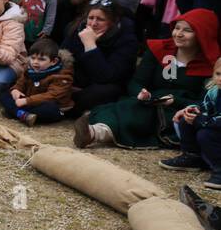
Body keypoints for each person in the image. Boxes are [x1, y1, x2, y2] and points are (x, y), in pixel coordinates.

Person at [77, 8, 220, 148]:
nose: (178, 34)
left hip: (181, 109)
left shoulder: (213, 64)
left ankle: (95, 133)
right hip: (152, 100)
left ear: (203, 34)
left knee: (141, 117)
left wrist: (176, 101)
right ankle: (93, 132)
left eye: (187, 30)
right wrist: (142, 93)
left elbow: (207, 102)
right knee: (127, 107)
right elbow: (137, 81)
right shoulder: (160, 50)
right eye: (177, 28)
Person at [61, 0, 139, 114]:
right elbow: (62, 58)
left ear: (112, 22)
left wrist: (90, 45)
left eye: (100, 19)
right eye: (91, 18)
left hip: (105, 85)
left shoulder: (127, 41)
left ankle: (67, 105)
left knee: (103, 92)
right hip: (77, 82)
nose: (93, 23)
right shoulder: (77, 31)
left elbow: (106, 76)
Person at [162, 56, 221, 184]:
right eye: (218, 74)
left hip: (216, 127)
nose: (220, 78)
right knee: (186, 120)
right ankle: (192, 157)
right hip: (213, 123)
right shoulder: (214, 91)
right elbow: (205, 106)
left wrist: (203, 120)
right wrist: (191, 110)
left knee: (205, 134)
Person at [2, 37, 74, 126]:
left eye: (41, 59)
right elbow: (21, 83)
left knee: (49, 109)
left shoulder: (63, 76)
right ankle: (23, 114)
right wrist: (15, 90)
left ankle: (15, 112)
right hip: (30, 101)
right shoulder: (29, 69)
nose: (35, 62)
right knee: (5, 93)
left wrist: (27, 101)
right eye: (33, 58)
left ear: (54, 61)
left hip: (52, 105)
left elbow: (52, 96)